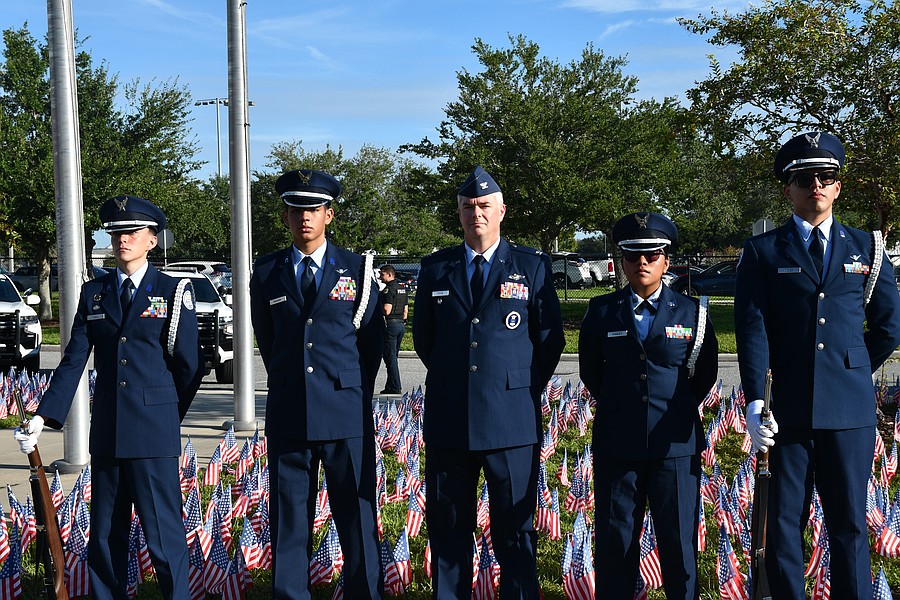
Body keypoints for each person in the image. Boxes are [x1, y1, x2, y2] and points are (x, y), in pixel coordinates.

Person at [735, 131, 900, 599]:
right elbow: (752, 331)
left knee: (849, 523)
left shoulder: (866, 247)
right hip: (787, 410)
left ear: (838, 187)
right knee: (785, 525)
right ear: (787, 189)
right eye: (805, 179)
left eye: (826, 178)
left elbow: (889, 324)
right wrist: (755, 400)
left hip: (848, 414)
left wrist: (849, 368)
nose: (817, 186)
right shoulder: (763, 252)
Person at [14, 196, 204, 599]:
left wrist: (166, 413)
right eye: (117, 232)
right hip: (109, 434)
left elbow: (189, 366)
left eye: (133, 232)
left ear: (152, 239)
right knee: (103, 537)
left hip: (153, 436)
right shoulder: (95, 292)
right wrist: (44, 417)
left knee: (163, 540)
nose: (123, 239)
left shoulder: (172, 291)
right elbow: (74, 360)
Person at [413, 166, 564, 599]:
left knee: (515, 533)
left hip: (510, 421)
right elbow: (426, 340)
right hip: (450, 420)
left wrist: (517, 386)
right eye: (467, 207)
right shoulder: (436, 268)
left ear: (501, 210)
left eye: (483, 205)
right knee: (448, 532)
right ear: (458, 214)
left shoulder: (531, 267)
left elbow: (548, 341)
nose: (475, 213)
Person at [249, 169, 384, 599]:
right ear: (285, 217)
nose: (304, 217)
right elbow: (268, 340)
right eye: (295, 210)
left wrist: (344, 385)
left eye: (313, 209)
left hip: (345, 413)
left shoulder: (357, 269)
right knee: (289, 521)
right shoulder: (267, 271)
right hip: (290, 412)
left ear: (329, 215)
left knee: (357, 518)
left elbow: (371, 345)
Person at [579, 212, 718, 599]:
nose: (642, 262)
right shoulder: (601, 311)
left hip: (674, 445)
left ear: (666, 261)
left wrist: (673, 410)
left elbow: (702, 376)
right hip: (618, 445)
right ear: (622, 261)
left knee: (678, 546)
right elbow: (593, 372)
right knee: (615, 544)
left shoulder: (694, 313)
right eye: (633, 255)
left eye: (652, 255)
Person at [378, 264, 408, 394]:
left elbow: (387, 310)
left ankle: (395, 386)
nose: (380, 277)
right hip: (401, 324)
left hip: (390, 325)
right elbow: (406, 310)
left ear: (389, 274)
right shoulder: (402, 289)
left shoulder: (388, 290)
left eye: (382, 274)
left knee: (390, 357)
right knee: (393, 356)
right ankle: (390, 385)